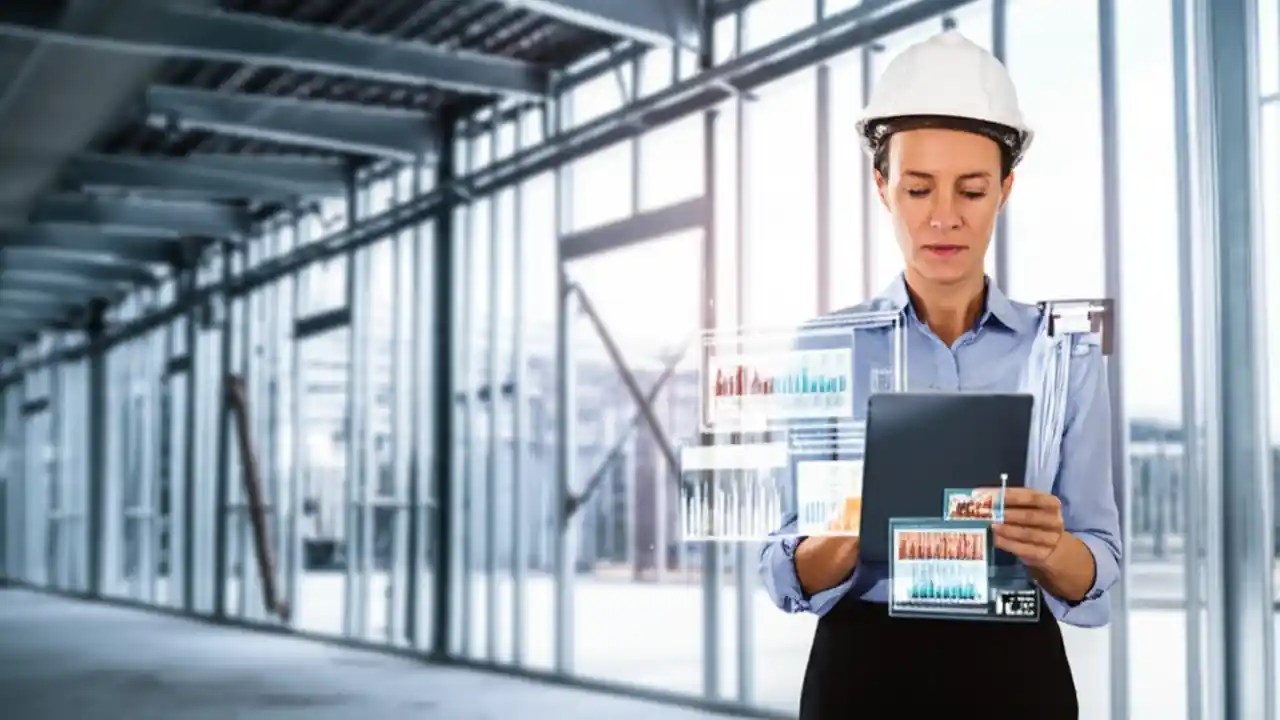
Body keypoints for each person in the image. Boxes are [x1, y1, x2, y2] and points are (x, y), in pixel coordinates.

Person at [757, 30, 1121, 719]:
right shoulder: (826, 350)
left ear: (1006, 189)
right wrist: (858, 526)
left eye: (973, 189)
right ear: (882, 185)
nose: (944, 216)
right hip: (862, 676)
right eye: (918, 187)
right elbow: (783, 567)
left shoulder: (1062, 354)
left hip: (1017, 678)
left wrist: (1050, 550)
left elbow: (1098, 562)